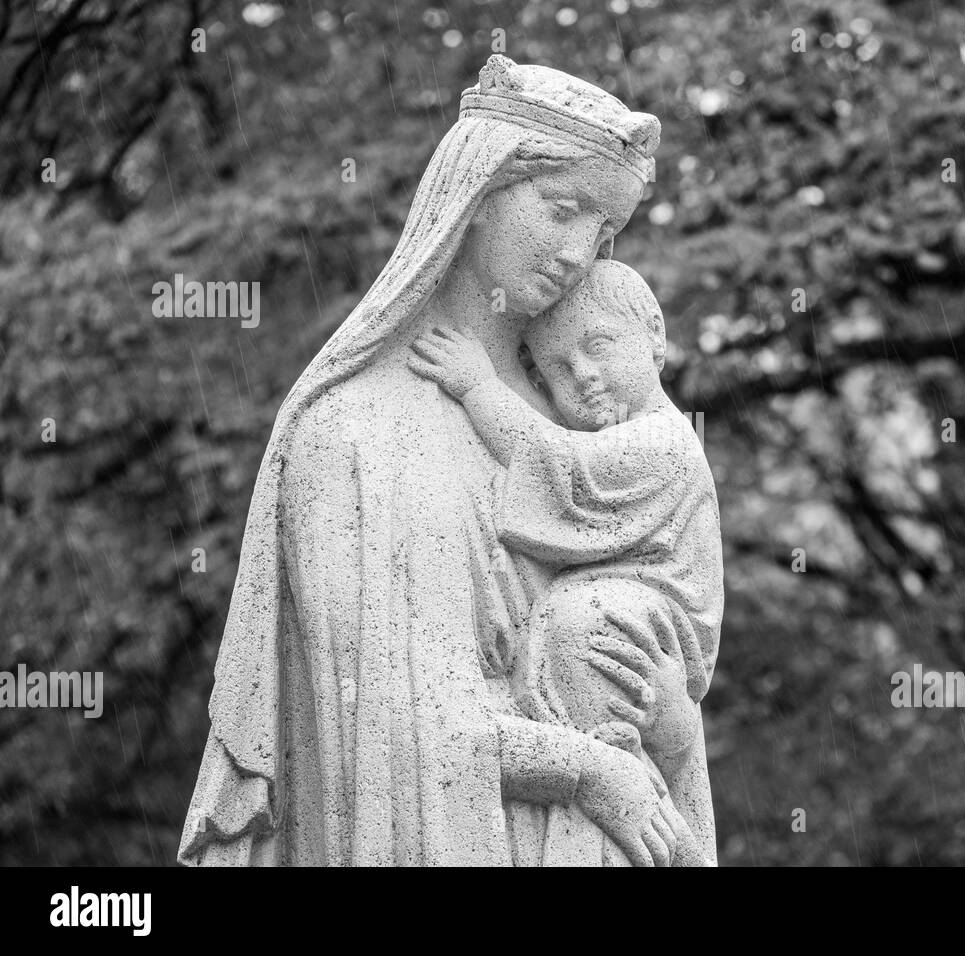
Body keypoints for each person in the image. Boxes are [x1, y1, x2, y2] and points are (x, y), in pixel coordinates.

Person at [178, 55, 717, 866]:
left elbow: (662, 730)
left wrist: (670, 727)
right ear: (479, 189)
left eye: (604, 232)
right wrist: (587, 770)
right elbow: (392, 728)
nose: (579, 252)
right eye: (563, 208)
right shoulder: (356, 436)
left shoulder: (582, 429)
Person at [409, 260, 723, 864]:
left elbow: (565, 472)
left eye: (598, 346)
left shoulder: (664, 442)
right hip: (615, 643)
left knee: (588, 641)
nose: (583, 375)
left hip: (640, 632)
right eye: (556, 367)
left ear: (654, 334)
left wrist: (479, 388)